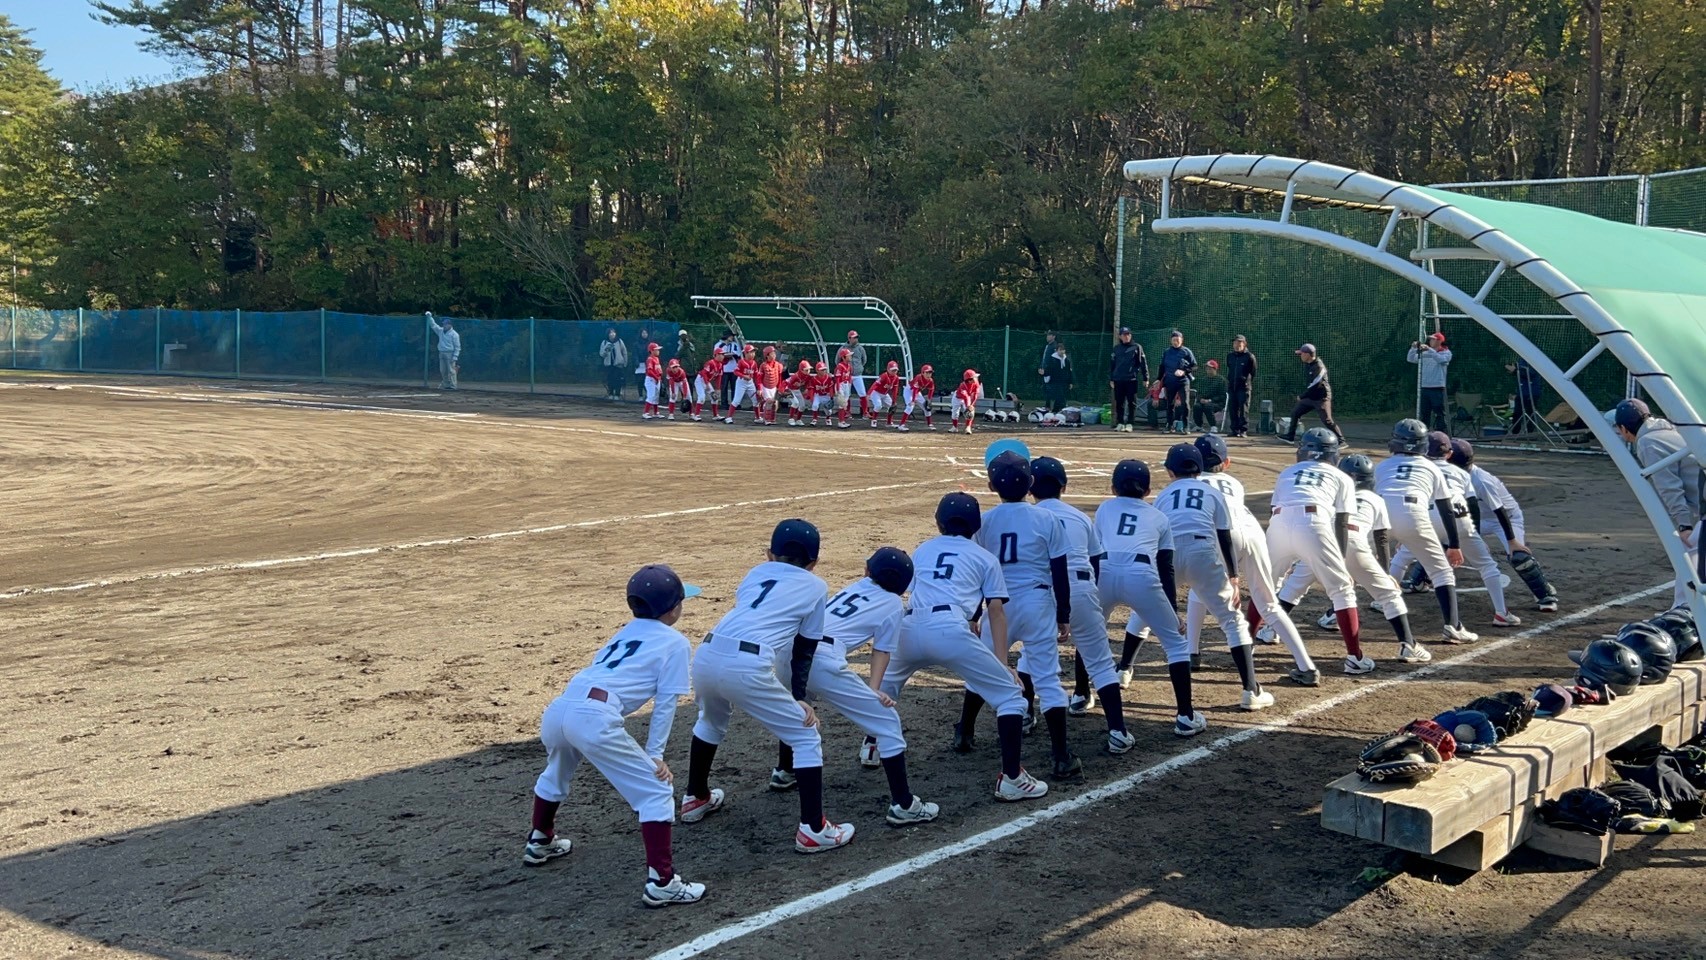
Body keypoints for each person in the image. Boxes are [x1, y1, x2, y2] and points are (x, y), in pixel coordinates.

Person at [524, 564, 706, 907]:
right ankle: (662, 883)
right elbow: (666, 703)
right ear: (672, 608)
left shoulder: (622, 633)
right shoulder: (676, 642)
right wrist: (655, 755)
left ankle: (540, 839)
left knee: (557, 770)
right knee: (656, 789)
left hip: (560, 708)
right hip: (593, 716)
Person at [683, 519, 857, 854]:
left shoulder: (754, 573)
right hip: (747, 665)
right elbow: (804, 649)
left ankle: (695, 797)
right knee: (805, 734)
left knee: (710, 721)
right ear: (814, 562)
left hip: (706, 653)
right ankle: (813, 828)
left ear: (769, 554)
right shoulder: (816, 586)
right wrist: (800, 698)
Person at [880, 493, 1050, 801]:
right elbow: (996, 612)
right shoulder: (984, 556)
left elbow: (912, 591)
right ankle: (1012, 777)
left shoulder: (924, 549)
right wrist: (1002, 663)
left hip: (908, 626)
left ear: (938, 522)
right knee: (1011, 696)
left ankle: (870, 744)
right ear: (976, 526)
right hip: (949, 630)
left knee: (885, 689)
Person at [782, 548, 940, 826]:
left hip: (789, 651)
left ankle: (784, 771)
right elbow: (882, 650)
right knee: (886, 720)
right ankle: (904, 805)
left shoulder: (855, 587)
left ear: (867, 571)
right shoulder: (894, 604)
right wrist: (875, 689)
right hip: (821, 659)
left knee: (798, 708)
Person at [966, 453, 1082, 780]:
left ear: (991, 486)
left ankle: (965, 731)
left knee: (985, 669)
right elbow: (1060, 571)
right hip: (1037, 599)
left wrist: (975, 612)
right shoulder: (1046, 519)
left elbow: (977, 571)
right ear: (1030, 484)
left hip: (996, 604)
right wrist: (1063, 614)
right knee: (1046, 677)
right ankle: (1061, 755)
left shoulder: (984, 521)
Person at [1184, 434, 1321, 686]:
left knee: (1198, 586)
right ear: (1226, 463)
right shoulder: (1234, 482)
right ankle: (1307, 666)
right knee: (1269, 603)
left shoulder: (1193, 482)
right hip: (1252, 530)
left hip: (1223, 533)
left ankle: (1192, 652)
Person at [1273, 453, 1430, 665]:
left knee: (1294, 586)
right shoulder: (1375, 499)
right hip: (1353, 542)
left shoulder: (1332, 491)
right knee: (1388, 594)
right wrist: (1385, 574)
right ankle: (1408, 645)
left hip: (1321, 539)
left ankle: (1269, 630)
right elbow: (1381, 539)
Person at [1155, 445, 1272, 717]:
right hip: (1202, 553)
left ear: (1170, 471)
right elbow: (1224, 536)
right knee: (1232, 620)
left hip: (1169, 554)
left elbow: (1158, 535)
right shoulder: (1213, 491)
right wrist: (1233, 575)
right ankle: (1250, 690)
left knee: (1149, 614)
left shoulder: (1163, 495)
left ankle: (1124, 669)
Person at [1032, 458, 1135, 752]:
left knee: (1031, 656)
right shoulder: (1079, 517)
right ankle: (1117, 731)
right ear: (1064, 486)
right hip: (1081, 587)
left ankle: (1026, 717)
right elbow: (1095, 562)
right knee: (1101, 662)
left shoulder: (1028, 515)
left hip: (1040, 591)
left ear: (1030, 488)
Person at [1093, 460, 1201, 734]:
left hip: (1105, 570)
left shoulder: (1105, 507)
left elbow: (1093, 551)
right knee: (1176, 645)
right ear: (1148, 490)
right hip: (1141, 574)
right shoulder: (1158, 516)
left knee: (1090, 635)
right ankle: (1186, 717)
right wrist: (1172, 610)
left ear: (1113, 488)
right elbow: (1166, 567)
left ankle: (1081, 696)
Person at [1266, 429, 1372, 674]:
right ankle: (1355, 657)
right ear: (1333, 455)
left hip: (1279, 525)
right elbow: (1342, 523)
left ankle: (1247, 645)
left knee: (1265, 588)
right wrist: (1342, 559)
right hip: (1314, 525)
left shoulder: (1287, 472)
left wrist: (1287, 549)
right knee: (1342, 590)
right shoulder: (1341, 476)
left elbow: (1275, 510)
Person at [1396, 431, 1520, 628]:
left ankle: (1383, 600)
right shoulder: (1462, 473)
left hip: (1424, 518)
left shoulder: (1419, 468)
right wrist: (1475, 536)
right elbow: (1473, 506)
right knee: (1487, 566)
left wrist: (1404, 530)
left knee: (1402, 557)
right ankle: (1501, 613)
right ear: (1448, 453)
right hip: (1459, 520)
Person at [1373, 419, 1477, 645]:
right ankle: (1453, 627)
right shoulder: (1431, 467)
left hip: (1378, 517)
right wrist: (1454, 544)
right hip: (1412, 515)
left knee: (1354, 565)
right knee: (1442, 573)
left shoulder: (1381, 466)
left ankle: (1332, 614)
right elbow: (1446, 509)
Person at [1449, 439, 1560, 612]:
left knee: (1518, 556)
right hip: (1478, 518)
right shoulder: (1453, 476)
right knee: (1443, 535)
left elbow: (1500, 511)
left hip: (1506, 518)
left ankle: (1544, 593)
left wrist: (1513, 541)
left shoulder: (1482, 481)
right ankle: (1421, 579)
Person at [1611, 399, 1701, 610]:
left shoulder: (1648, 442)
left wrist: (1684, 525)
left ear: (1624, 429)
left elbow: (1669, 487)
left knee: (1688, 554)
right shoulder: (1672, 430)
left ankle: (1683, 610)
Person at [1280, 343, 1345, 444]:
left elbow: (1315, 385)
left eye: (1302, 354)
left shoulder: (1319, 366)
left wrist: (1302, 396)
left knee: (1327, 421)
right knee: (1295, 412)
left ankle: (1341, 440)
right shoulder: (1308, 364)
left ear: (1308, 354)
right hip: (1311, 397)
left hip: (1322, 398)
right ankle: (1290, 437)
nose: (1300, 356)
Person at [1408, 332, 1452, 431]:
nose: (1431, 341)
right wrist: (1413, 348)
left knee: (1439, 411)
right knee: (1425, 412)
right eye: (1431, 339)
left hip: (1437, 386)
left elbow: (1442, 360)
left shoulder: (1446, 352)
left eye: (1433, 339)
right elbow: (1411, 359)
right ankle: (1424, 432)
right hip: (1424, 386)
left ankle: (1441, 432)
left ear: (1439, 341)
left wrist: (1430, 350)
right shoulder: (1425, 353)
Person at [1109, 327, 1148, 433]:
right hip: (1118, 379)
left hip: (1131, 379)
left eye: (1128, 334)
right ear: (1120, 336)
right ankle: (1120, 423)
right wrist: (1111, 378)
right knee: (1119, 402)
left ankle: (1130, 423)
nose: (1126, 336)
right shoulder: (1116, 348)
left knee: (1132, 402)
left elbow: (1143, 363)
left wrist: (1146, 378)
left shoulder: (1137, 347)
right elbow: (1112, 364)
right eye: (1124, 334)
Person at [1157, 330, 1197, 434]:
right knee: (1169, 404)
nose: (1176, 342)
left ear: (1182, 340)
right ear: (1171, 340)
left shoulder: (1187, 351)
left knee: (1185, 404)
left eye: (1178, 340)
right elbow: (1162, 367)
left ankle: (1186, 426)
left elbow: (1194, 366)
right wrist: (1158, 379)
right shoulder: (1166, 352)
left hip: (1183, 382)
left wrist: (1184, 371)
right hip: (1170, 382)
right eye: (1174, 340)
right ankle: (1169, 426)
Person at [1224, 335, 1257, 437]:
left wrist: (1246, 381)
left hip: (1244, 387)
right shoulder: (1230, 356)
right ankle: (1234, 429)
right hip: (1232, 386)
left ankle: (1243, 430)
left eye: (1239, 343)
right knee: (1233, 408)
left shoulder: (1249, 356)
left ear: (1244, 344)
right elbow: (1229, 368)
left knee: (1243, 409)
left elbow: (1253, 371)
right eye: (1235, 343)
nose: (1237, 345)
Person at [1506, 358, 1543, 433]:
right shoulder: (1521, 360)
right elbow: (1520, 373)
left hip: (1531, 392)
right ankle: (1515, 433)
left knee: (1530, 413)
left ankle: (1530, 433)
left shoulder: (1534, 360)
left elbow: (1530, 373)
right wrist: (1513, 371)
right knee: (1517, 413)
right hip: (1521, 392)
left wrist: (1515, 370)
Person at [897, 364, 936, 432]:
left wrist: (929, 400)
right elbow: (914, 390)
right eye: (927, 372)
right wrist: (913, 400)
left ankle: (929, 424)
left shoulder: (930, 380)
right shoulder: (919, 377)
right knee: (910, 406)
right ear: (922, 373)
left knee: (927, 407)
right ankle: (901, 425)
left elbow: (931, 390)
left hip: (917, 393)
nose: (929, 374)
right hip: (909, 391)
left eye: (930, 373)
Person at [426, 312, 460, 390]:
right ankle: (446, 385)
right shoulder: (440, 331)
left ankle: (453, 386)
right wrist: (429, 317)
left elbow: (457, 347)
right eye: (443, 324)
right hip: (441, 353)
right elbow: (433, 325)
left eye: (445, 324)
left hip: (450, 354)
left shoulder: (455, 334)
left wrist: (455, 356)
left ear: (450, 325)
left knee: (451, 371)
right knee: (443, 370)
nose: (444, 325)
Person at [1192, 359, 1227, 431]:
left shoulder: (1221, 380)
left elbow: (1223, 395)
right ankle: (1199, 426)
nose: (1208, 370)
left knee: (1208, 406)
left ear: (1215, 369)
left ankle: (1213, 426)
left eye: (1210, 368)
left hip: (1217, 403)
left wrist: (1210, 400)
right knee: (1197, 406)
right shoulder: (1204, 379)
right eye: (1207, 368)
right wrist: (1200, 399)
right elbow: (1199, 392)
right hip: (1204, 402)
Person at [755, 346, 785, 425]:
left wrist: (780, 388)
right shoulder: (763, 365)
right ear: (767, 355)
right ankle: (766, 419)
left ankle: (772, 419)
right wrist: (759, 389)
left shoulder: (778, 365)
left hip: (774, 387)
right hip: (766, 387)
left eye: (774, 353)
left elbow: (780, 377)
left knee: (775, 403)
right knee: (768, 402)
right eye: (772, 353)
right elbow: (759, 378)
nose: (774, 355)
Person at [867, 361, 903, 427]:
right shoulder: (884, 376)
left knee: (891, 406)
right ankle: (874, 421)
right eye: (892, 370)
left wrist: (894, 401)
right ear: (888, 369)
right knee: (878, 405)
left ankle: (889, 423)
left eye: (896, 370)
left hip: (884, 394)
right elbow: (875, 385)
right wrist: (869, 394)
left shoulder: (896, 378)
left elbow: (895, 390)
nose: (894, 372)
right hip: (876, 392)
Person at [692, 350, 724, 422]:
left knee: (714, 397)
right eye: (719, 354)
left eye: (722, 354)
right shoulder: (710, 363)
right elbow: (703, 373)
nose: (721, 356)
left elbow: (719, 377)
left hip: (706, 381)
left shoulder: (720, 365)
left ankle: (715, 415)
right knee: (702, 397)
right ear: (715, 355)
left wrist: (718, 388)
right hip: (700, 380)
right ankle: (696, 415)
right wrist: (706, 384)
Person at [599, 327, 629, 401]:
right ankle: (611, 393)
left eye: (613, 332)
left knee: (618, 380)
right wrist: (607, 349)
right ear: (608, 334)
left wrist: (625, 362)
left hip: (618, 364)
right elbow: (602, 354)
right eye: (610, 333)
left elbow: (624, 352)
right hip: (609, 365)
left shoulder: (619, 341)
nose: (612, 334)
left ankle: (617, 394)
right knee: (610, 380)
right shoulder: (604, 342)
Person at [843, 331, 868, 416]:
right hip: (847, 375)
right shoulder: (843, 348)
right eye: (854, 337)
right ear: (849, 338)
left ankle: (865, 412)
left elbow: (864, 360)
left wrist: (858, 368)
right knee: (847, 394)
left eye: (856, 337)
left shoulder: (860, 348)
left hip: (857, 375)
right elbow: (838, 360)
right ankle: (847, 412)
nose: (856, 339)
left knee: (862, 393)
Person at [951, 369, 983, 435]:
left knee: (970, 411)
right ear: (969, 380)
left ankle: (968, 427)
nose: (976, 378)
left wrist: (971, 405)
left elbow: (975, 395)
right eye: (974, 377)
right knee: (954, 413)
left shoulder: (976, 383)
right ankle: (954, 427)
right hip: (957, 398)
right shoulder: (962, 385)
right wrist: (968, 406)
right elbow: (965, 397)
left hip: (967, 397)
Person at [1043, 342, 1072, 413]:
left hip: (1064, 382)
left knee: (1062, 397)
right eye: (1060, 349)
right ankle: (1054, 410)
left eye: (1063, 350)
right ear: (1057, 350)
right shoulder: (1052, 359)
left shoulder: (1066, 360)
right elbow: (1048, 370)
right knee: (1057, 396)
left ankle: (1060, 410)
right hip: (1054, 381)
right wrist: (1044, 374)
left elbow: (1069, 372)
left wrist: (1070, 382)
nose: (1062, 351)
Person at [640, 342, 663, 419]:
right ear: (652, 350)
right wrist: (656, 378)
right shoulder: (650, 359)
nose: (658, 351)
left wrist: (659, 378)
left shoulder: (657, 359)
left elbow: (658, 370)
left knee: (656, 396)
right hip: (650, 380)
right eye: (656, 350)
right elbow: (649, 371)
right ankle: (645, 413)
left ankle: (656, 412)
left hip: (656, 379)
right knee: (651, 396)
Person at [631, 326, 652, 397]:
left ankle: (648, 395)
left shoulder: (649, 343)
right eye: (643, 333)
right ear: (640, 334)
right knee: (640, 381)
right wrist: (636, 361)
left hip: (648, 364)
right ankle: (640, 396)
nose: (644, 334)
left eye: (646, 333)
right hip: (639, 365)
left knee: (648, 380)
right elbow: (635, 354)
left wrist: (649, 362)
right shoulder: (636, 344)